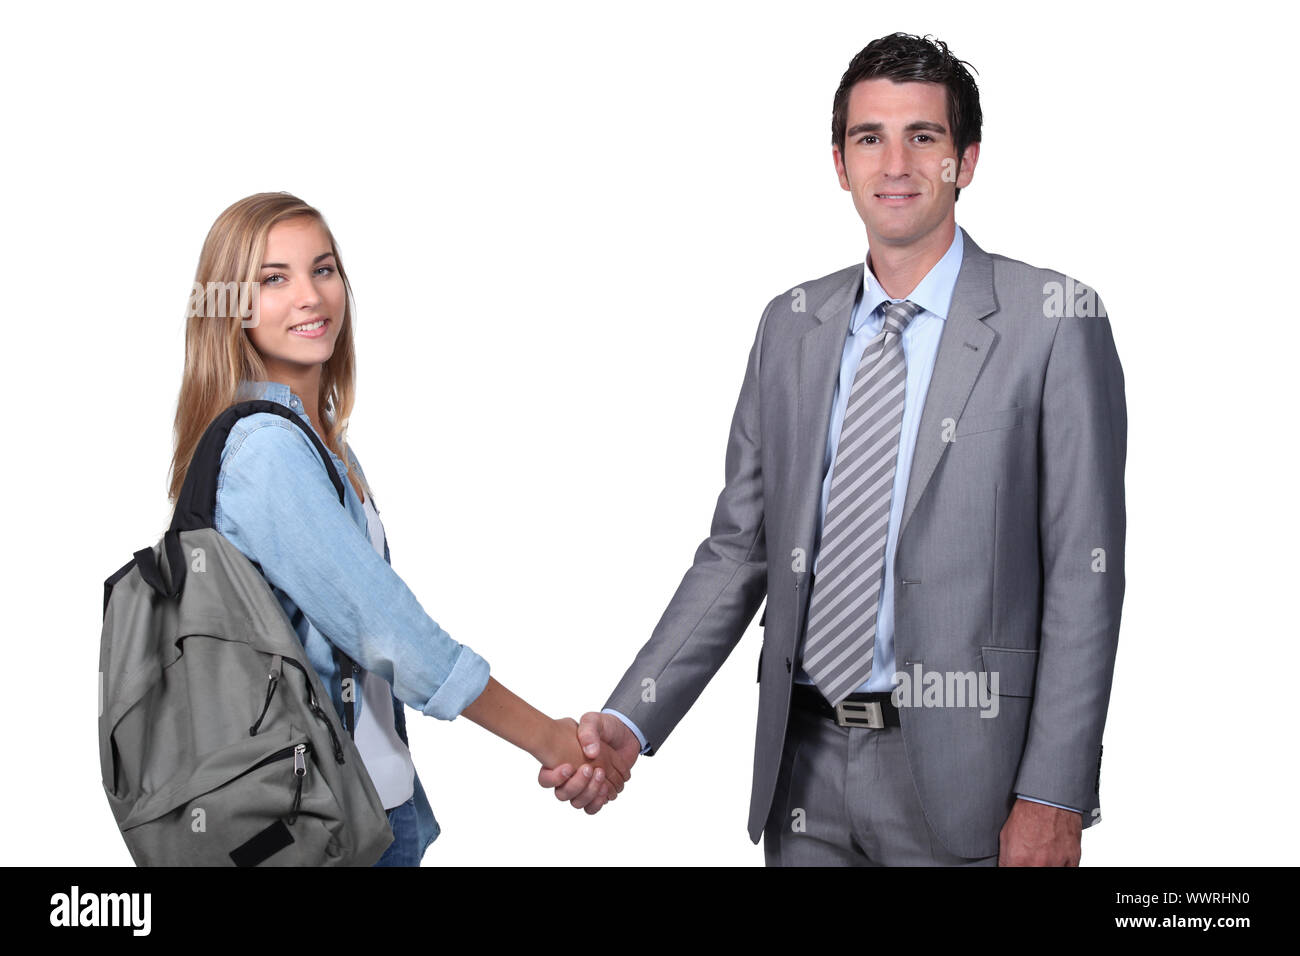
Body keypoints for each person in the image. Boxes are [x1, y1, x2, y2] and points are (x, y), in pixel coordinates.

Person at [541, 33, 1126, 866]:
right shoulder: (791, 327)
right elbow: (739, 551)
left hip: (977, 783)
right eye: (868, 138)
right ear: (839, 163)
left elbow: (1084, 574)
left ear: (967, 160)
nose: (895, 163)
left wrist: (1056, 793)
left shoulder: (1052, 321)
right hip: (804, 772)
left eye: (923, 137)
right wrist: (632, 719)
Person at [169, 192, 626, 866]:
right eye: (274, 278)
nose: (309, 296)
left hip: (367, 807)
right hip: (310, 829)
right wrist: (549, 739)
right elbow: (387, 633)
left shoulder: (326, 446)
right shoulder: (266, 452)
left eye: (322, 270)